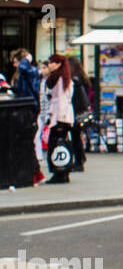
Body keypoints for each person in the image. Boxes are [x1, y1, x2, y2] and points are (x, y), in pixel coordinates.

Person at [43, 54, 77, 183]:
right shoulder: (62, 77)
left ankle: (59, 172)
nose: (50, 65)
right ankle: (63, 171)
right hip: (62, 116)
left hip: (60, 117)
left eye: (52, 62)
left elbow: (62, 100)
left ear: (58, 64)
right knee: (61, 143)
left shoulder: (60, 78)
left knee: (55, 144)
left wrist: (60, 119)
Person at [65, 55, 92, 171]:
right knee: (77, 137)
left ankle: (79, 161)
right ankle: (80, 158)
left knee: (75, 137)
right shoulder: (83, 79)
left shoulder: (74, 80)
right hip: (82, 112)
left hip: (75, 112)